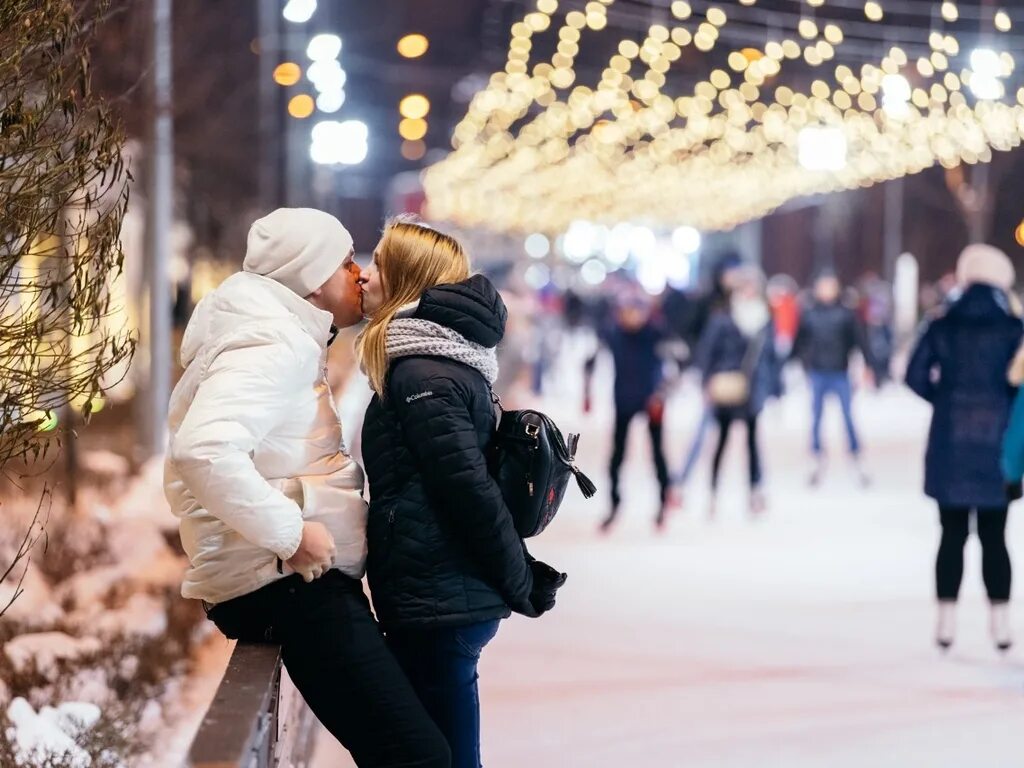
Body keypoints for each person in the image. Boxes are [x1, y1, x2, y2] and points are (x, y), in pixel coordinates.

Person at [164, 208, 451, 768]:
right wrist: (292, 534)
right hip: (284, 584)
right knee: (417, 756)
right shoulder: (276, 343)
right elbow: (204, 448)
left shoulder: (280, 333)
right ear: (313, 278)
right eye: (346, 263)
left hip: (285, 581)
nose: (359, 274)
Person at [356, 217, 565, 768]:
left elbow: (467, 489)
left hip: (440, 600)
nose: (364, 275)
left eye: (378, 264)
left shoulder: (422, 373)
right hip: (439, 593)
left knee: (445, 757)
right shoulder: (434, 362)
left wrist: (519, 576)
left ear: (404, 278)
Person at [906, 244, 1022, 653]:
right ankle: (1001, 622)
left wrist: (945, 398)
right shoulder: (1014, 327)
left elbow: (914, 374)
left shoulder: (941, 323)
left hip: (949, 445)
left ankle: (946, 620)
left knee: (951, 535)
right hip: (999, 448)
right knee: (995, 536)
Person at [693, 266, 781, 516]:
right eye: (744, 286)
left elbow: (771, 357)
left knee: (753, 442)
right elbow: (707, 351)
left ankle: (754, 492)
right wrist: (707, 382)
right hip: (727, 386)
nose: (748, 291)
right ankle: (713, 492)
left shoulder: (765, 318)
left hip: (752, 389)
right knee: (721, 441)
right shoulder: (723, 317)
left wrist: (775, 388)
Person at [586, 294, 672, 532]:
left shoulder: (656, 333)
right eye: (626, 312)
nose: (631, 317)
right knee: (617, 455)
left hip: (652, 399)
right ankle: (614, 505)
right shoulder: (613, 333)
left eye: (636, 312)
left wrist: (662, 393)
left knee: (657, 453)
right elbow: (590, 361)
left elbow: (675, 364)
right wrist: (586, 393)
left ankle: (663, 504)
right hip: (623, 399)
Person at [792, 273, 872, 487]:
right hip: (818, 372)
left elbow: (859, 340)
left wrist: (868, 365)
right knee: (816, 418)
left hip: (840, 372)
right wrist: (802, 363)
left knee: (847, 417)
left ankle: (856, 457)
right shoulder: (809, 314)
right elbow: (799, 341)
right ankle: (816, 457)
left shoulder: (846, 314)